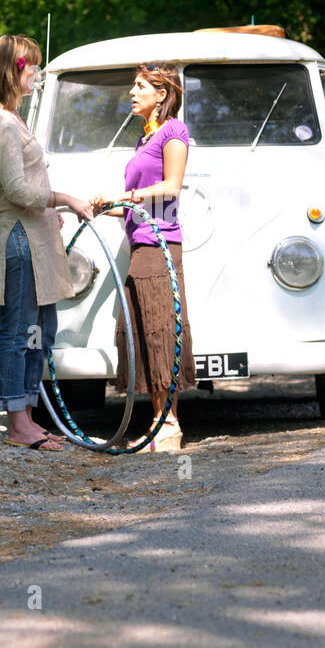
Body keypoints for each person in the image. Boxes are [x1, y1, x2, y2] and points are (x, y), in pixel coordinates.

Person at [0, 34, 93, 451]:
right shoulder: (3, 123)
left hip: (34, 236)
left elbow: (29, 191)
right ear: (17, 69)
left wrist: (50, 213)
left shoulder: (13, 119)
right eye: (35, 67)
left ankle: (26, 416)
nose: (38, 76)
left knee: (39, 329)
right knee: (19, 330)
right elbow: (17, 190)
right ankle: (17, 423)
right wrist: (64, 200)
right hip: (17, 238)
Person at [92, 62, 197, 451]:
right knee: (142, 331)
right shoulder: (143, 140)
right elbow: (138, 207)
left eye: (140, 86)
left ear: (162, 94)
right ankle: (158, 420)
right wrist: (106, 207)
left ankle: (169, 424)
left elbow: (171, 187)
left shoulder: (174, 131)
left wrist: (125, 196)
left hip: (160, 245)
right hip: (141, 244)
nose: (132, 93)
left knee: (160, 331)